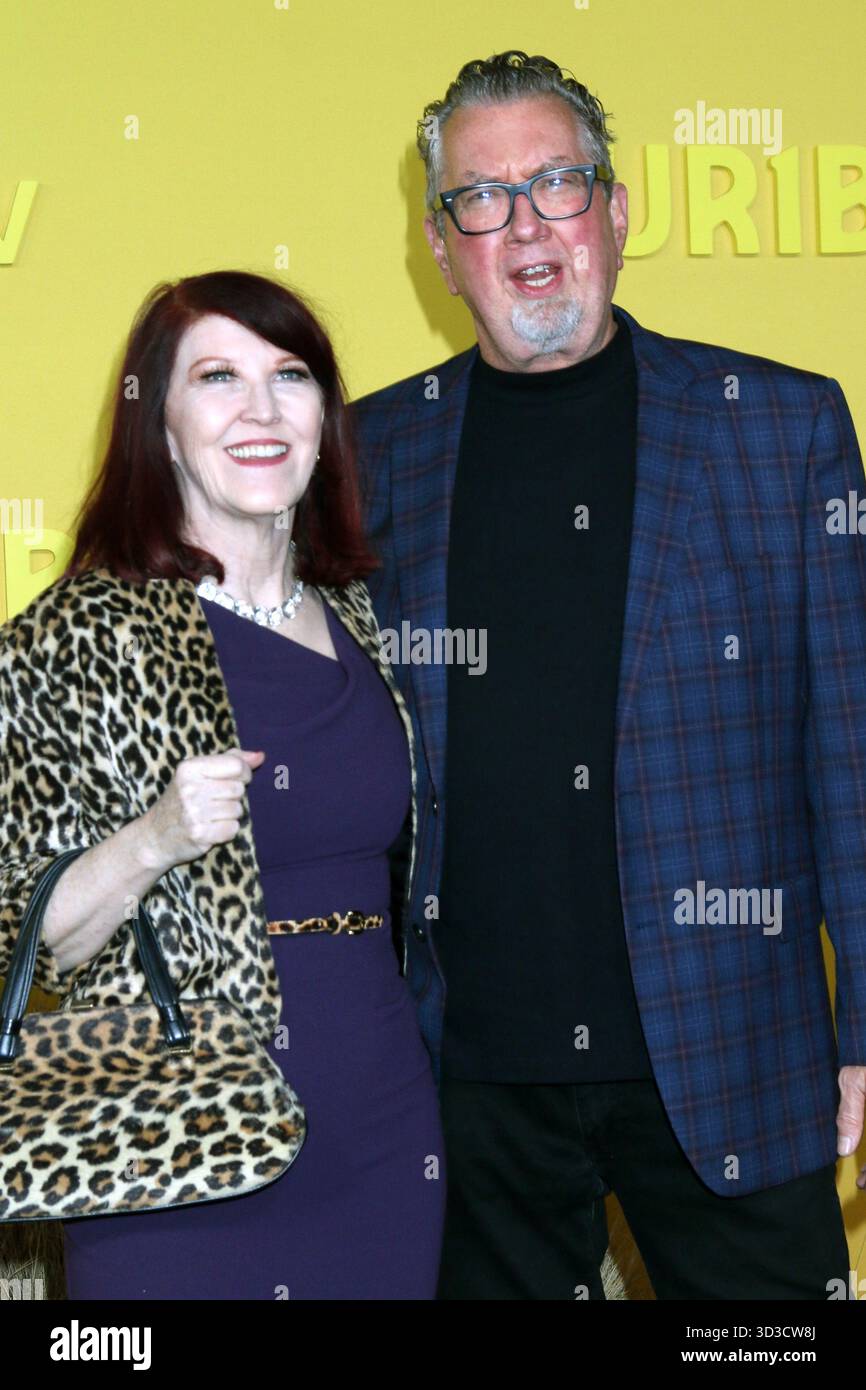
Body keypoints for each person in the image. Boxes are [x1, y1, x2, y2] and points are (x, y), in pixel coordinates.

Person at [351, 50, 866, 1299]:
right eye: (483, 197)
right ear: (438, 241)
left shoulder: (779, 426)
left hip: (729, 1044)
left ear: (618, 210)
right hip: (471, 1081)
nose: (524, 225)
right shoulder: (371, 448)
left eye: (559, 184)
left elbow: (851, 753)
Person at [0, 270, 445, 1300]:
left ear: (324, 418)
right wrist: (152, 838)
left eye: (288, 376)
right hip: (171, 1124)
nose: (259, 410)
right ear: (158, 427)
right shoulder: (80, 635)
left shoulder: (365, 619)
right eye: (216, 378)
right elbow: (29, 924)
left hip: (380, 1109)